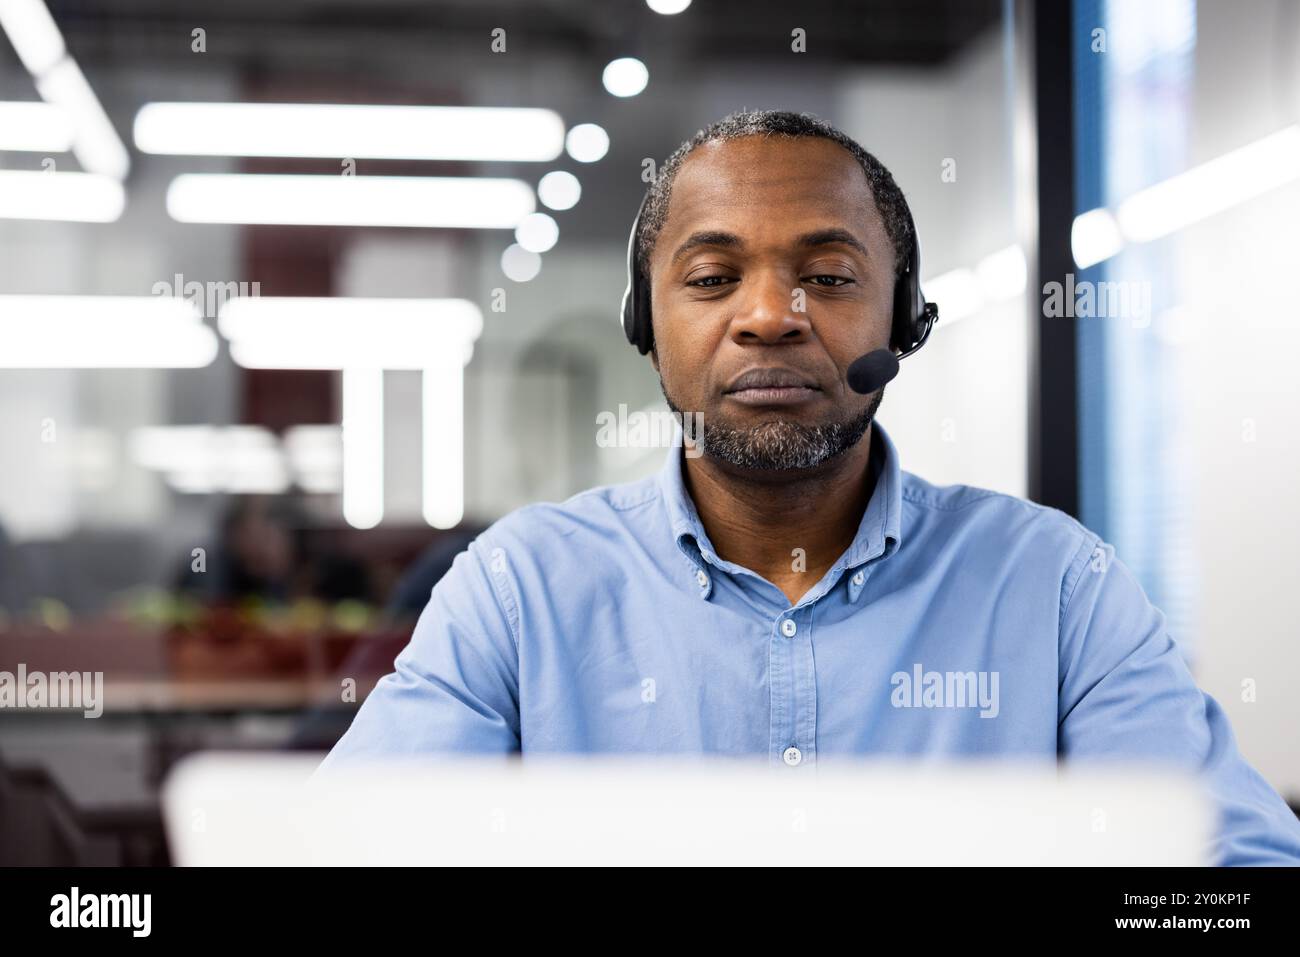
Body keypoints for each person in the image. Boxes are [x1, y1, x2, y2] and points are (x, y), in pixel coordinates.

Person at [320, 109, 1300, 866]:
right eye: (710, 279)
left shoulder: (1054, 585)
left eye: (827, 277)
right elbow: (354, 852)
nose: (769, 317)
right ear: (643, 324)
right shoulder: (520, 589)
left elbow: (1221, 872)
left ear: (904, 318)